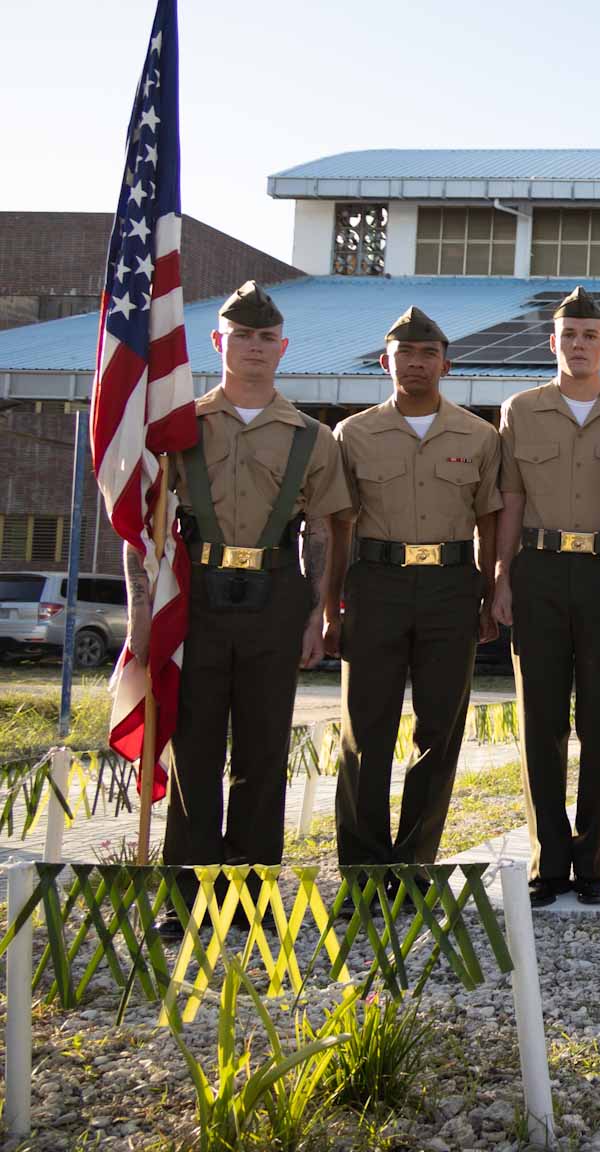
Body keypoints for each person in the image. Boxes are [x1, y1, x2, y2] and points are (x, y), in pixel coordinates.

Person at [147, 282, 350, 940]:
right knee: (195, 748)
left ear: (282, 348)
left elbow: (319, 527)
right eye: (243, 336)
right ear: (219, 342)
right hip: (198, 598)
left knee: (263, 752)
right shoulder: (180, 428)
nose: (255, 348)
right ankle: (185, 894)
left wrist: (315, 614)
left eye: (266, 338)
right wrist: (144, 610)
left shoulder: (311, 436)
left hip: (273, 599)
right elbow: (147, 527)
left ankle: (251, 892)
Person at [328, 307, 502, 872]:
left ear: (446, 365)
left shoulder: (479, 436)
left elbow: (491, 522)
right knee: (366, 732)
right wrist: (328, 608)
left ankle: (414, 864)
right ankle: (364, 866)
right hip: (377, 583)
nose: (417, 363)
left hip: (451, 587)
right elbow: (336, 526)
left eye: (428, 354)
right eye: (406, 353)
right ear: (386, 362)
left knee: (440, 730)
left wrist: (488, 591)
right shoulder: (352, 434)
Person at [491, 287, 600, 907]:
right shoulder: (520, 409)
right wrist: (498, 577)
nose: (579, 345)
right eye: (568, 335)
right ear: (552, 343)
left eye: (590, 336)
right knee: (541, 722)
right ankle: (547, 861)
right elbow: (510, 500)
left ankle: (593, 864)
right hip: (540, 571)